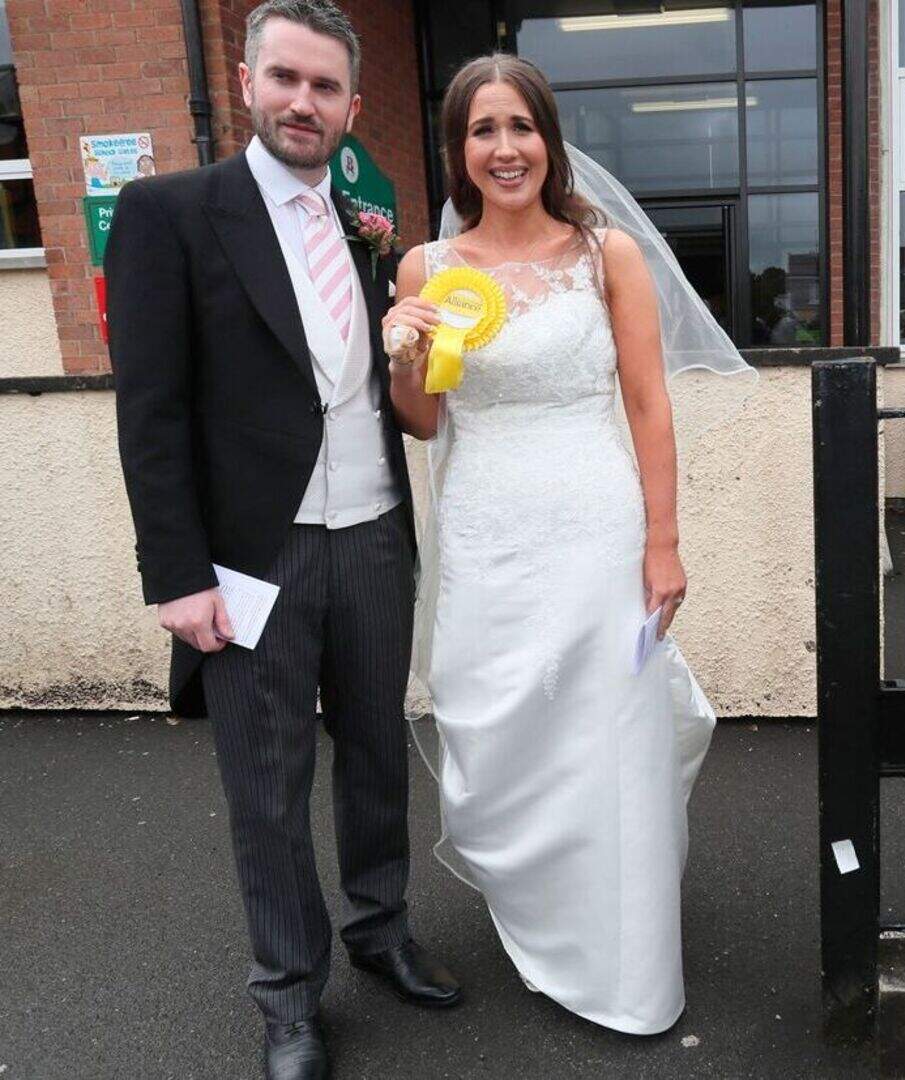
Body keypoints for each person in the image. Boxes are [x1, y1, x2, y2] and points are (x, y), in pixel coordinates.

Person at [105, 4, 460, 1078]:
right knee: (265, 785)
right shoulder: (170, 212)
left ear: (352, 106)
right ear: (249, 82)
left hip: (372, 537)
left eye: (325, 87)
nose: (303, 102)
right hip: (253, 560)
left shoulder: (366, 225)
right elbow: (150, 411)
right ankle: (288, 1000)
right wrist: (175, 578)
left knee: (373, 757)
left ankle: (380, 930)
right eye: (285, 79)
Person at [385, 53, 735, 1036]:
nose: (505, 149)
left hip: (592, 521)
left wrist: (662, 544)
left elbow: (647, 406)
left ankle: (626, 967)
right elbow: (421, 420)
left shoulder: (603, 255)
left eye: (520, 126)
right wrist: (402, 356)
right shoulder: (429, 268)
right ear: (458, 150)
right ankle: (543, 910)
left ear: (549, 139)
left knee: (603, 730)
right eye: (482, 130)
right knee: (495, 724)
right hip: (486, 528)